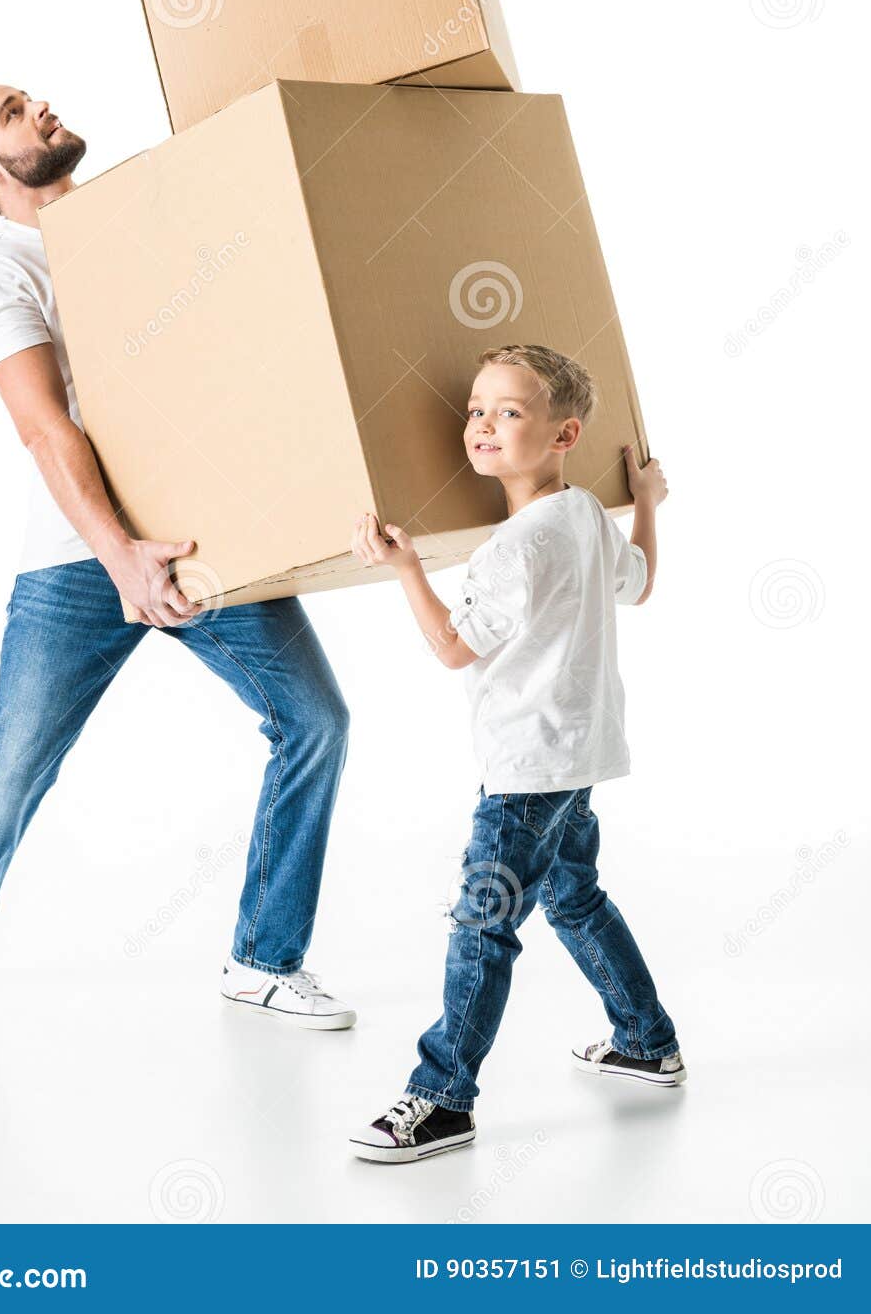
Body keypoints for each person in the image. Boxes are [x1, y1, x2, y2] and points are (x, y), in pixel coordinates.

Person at [0, 78, 354, 1030]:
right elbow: (46, 429)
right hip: (81, 551)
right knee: (15, 759)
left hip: (200, 535)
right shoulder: (3, 271)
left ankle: (265, 960)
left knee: (316, 722)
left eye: (31, 98)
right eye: (14, 114)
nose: (41, 111)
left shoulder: (144, 222)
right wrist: (120, 560)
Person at [347, 343, 683, 1163]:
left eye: (509, 411)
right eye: (475, 409)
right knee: (572, 898)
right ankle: (646, 1041)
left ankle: (441, 1099)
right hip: (578, 754)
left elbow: (454, 648)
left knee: (483, 924)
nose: (483, 425)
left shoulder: (514, 548)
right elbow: (639, 583)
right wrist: (645, 504)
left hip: (528, 768)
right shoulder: (583, 521)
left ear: (564, 434)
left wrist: (405, 569)